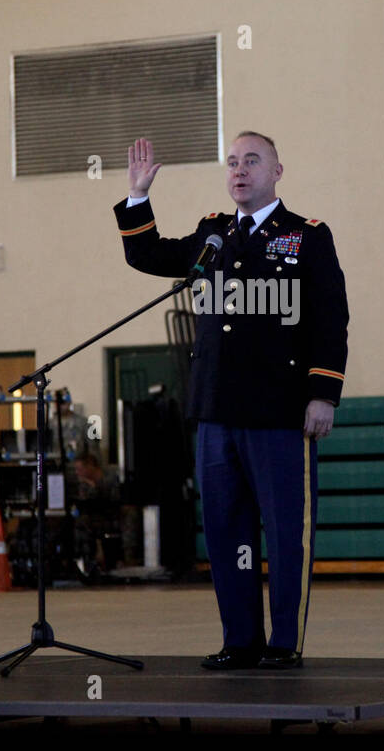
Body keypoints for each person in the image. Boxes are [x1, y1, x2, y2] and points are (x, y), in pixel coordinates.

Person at [113, 132, 348, 670]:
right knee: (225, 532)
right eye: (233, 162)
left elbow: (330, 319)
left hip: (280, 410)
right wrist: (138, 195)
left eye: (252, 161)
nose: (240, 170)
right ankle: (240, 640)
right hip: (215, 410)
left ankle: (284, 642)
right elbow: (148, 255)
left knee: (286, 533)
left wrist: (324, 394)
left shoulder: (306, 236)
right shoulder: (213, 233)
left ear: (277, 171)